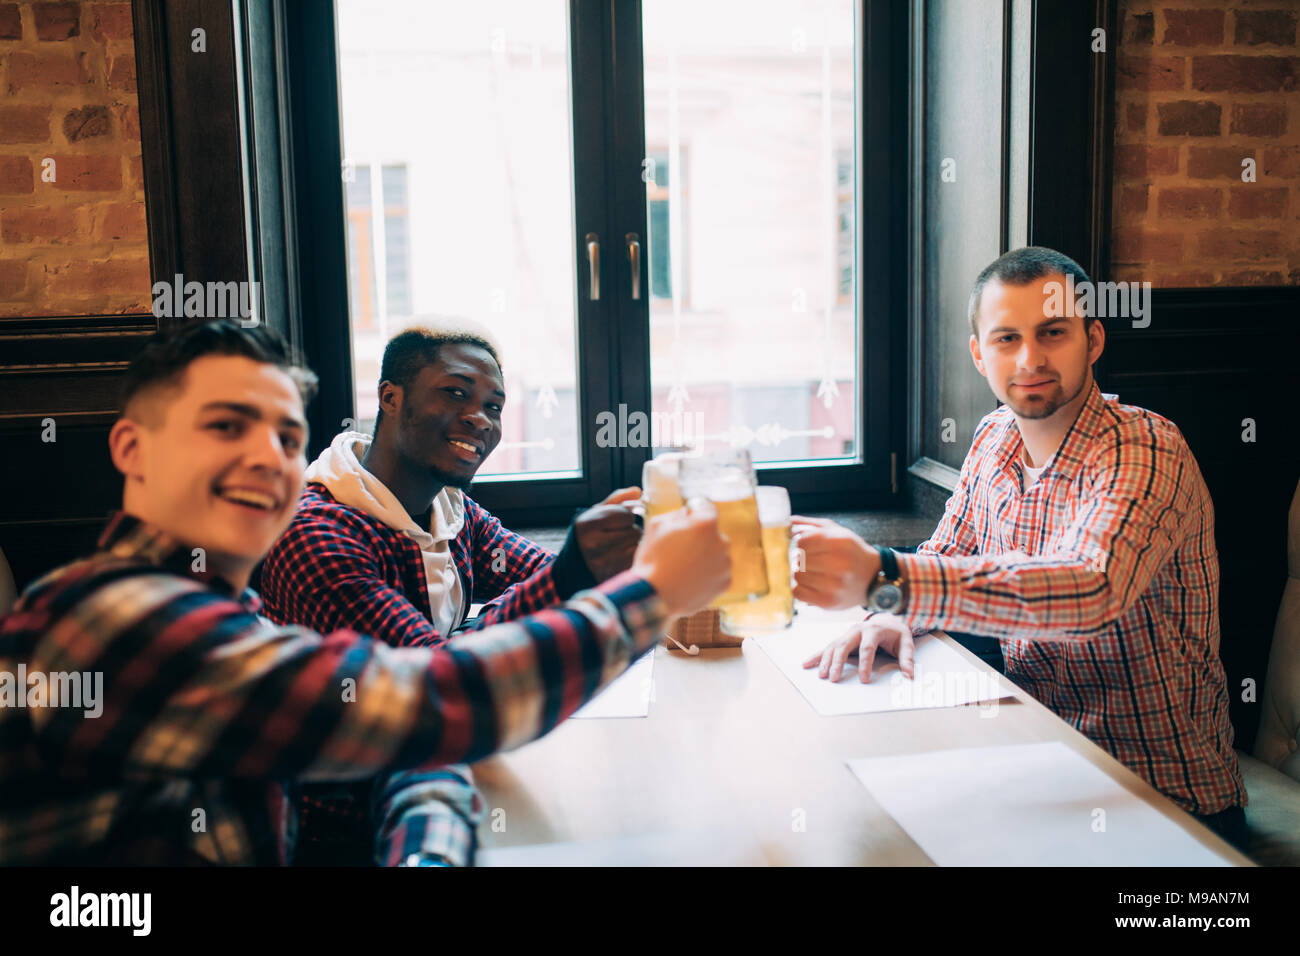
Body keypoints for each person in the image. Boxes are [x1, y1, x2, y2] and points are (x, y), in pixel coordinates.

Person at [0, 320, 730, 865]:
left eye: (287, 437)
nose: (266, 457)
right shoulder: (113, 620)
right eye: (227, 426)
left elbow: (414, 737)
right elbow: (438, 696)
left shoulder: (223, 609)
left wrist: (428, 851)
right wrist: (653, 593)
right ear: (132, 449)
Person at [794, 246, 1247, 846]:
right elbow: (948, 554)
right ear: (980, 354)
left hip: (1169, 804)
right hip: (1045, 768)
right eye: (1007, 338)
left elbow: (1090, 590)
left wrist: (890, 578)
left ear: (1093, 339)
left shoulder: (1145, 448)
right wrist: (893, 611)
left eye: (1053, 333)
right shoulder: (993, 438)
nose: (1030, 359)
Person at [257, 321, 644, 862]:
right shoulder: (319, 535)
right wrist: (573, 575)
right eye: (456, 393)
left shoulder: (448, 508)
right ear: (390, 398)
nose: (480, 419)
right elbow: (437, 682)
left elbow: (530, 569)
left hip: (436, 769)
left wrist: (622, 564)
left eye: (495, 406)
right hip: (350, 827)